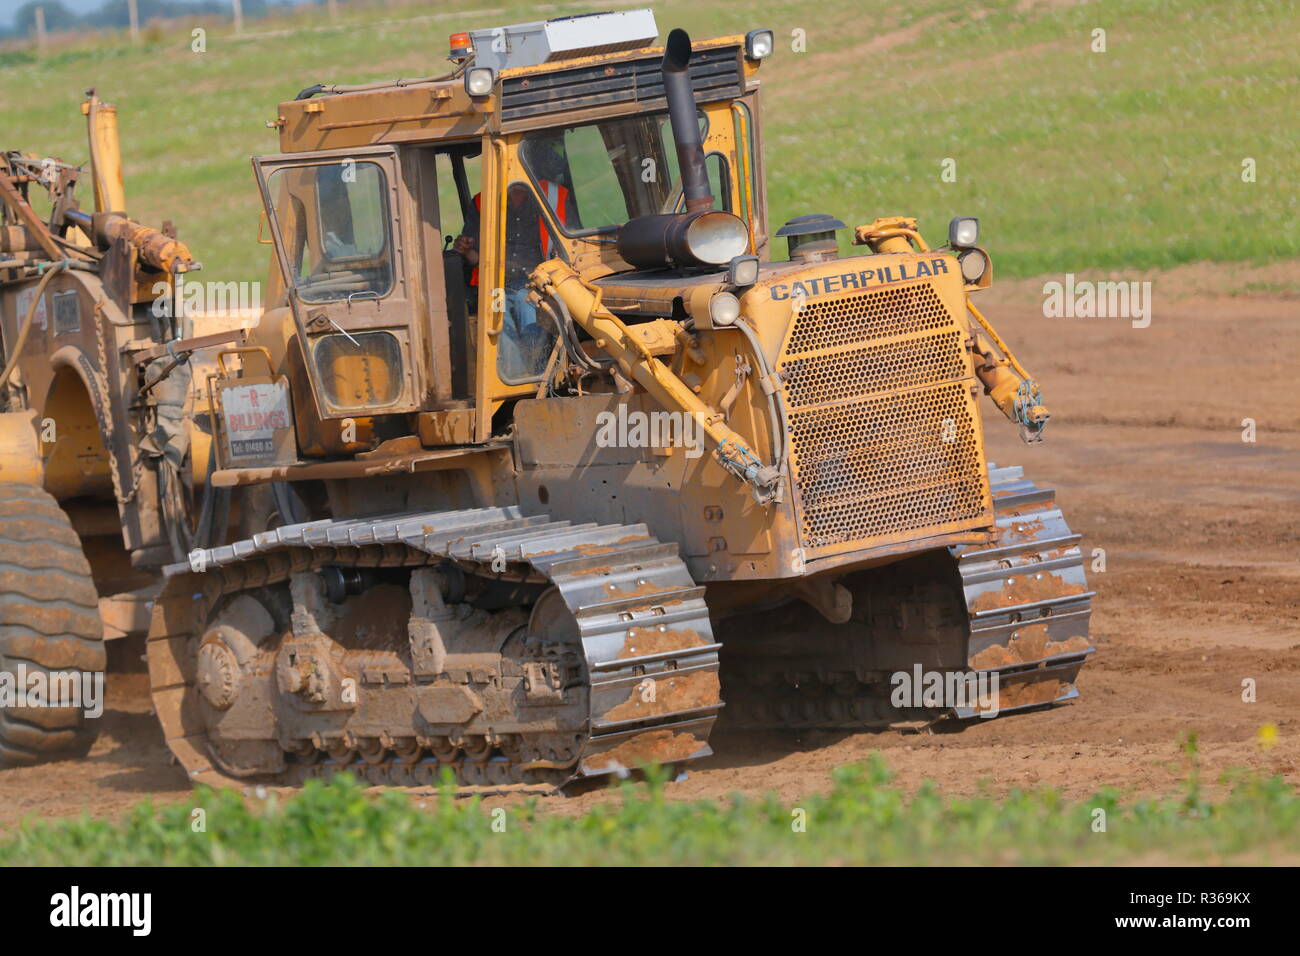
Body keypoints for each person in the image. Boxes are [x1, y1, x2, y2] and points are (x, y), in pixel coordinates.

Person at [453, 179, 572, 378]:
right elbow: (476, 257)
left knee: (534, 339)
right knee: (504, 346)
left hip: (536, 287)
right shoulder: (482, 202)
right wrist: (465, 249)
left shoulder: (553, 196)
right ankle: (517, 392)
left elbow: (570, 248)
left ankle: (540, 388)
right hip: (497, 288)